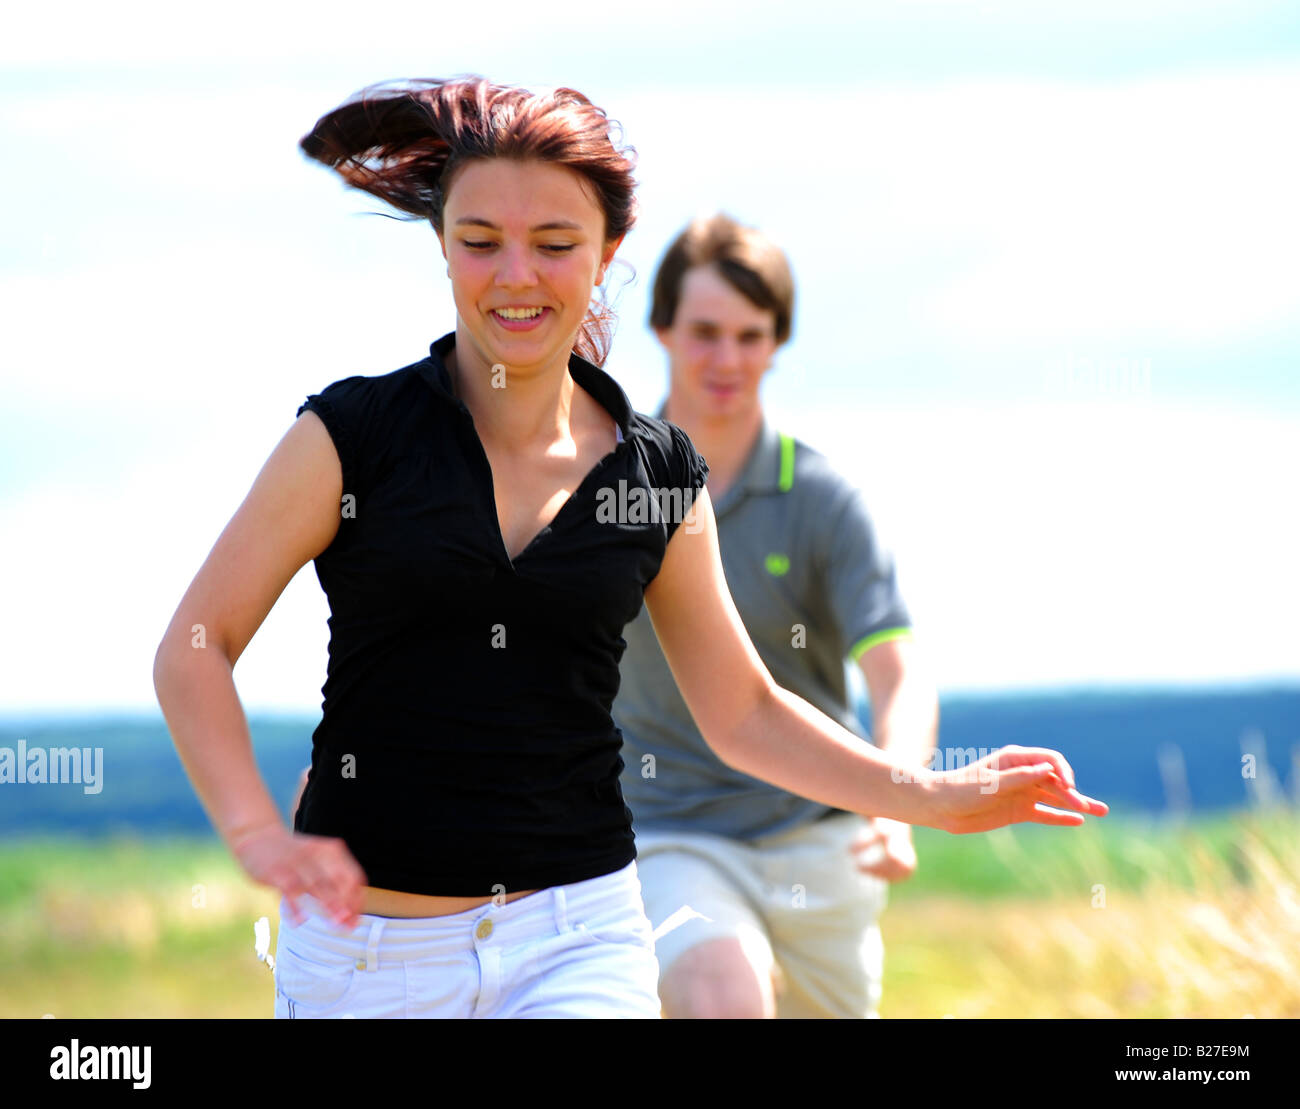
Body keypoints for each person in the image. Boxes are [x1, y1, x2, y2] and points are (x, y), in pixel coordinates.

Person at [151, 76, 1107, 1021]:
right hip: (364, 961)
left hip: (581, 936)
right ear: (443, 247)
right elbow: (195, 645)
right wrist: (256, 835)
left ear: (608, 253)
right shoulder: (348, 436)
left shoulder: (658, 473)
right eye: (480, 242)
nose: (515, 275)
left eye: (556, 245)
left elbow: (743, 710)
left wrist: (928, 795)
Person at [614, 214, 937, 1019]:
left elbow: (896, 671)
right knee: (722, 996)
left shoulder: (824, 501)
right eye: (705, 333)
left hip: (819, 839)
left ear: (777, 342)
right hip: (665, 834)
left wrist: (898, 800)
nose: (727, 359)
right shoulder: (604, 490)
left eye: (751, 336)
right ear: (661, 329)